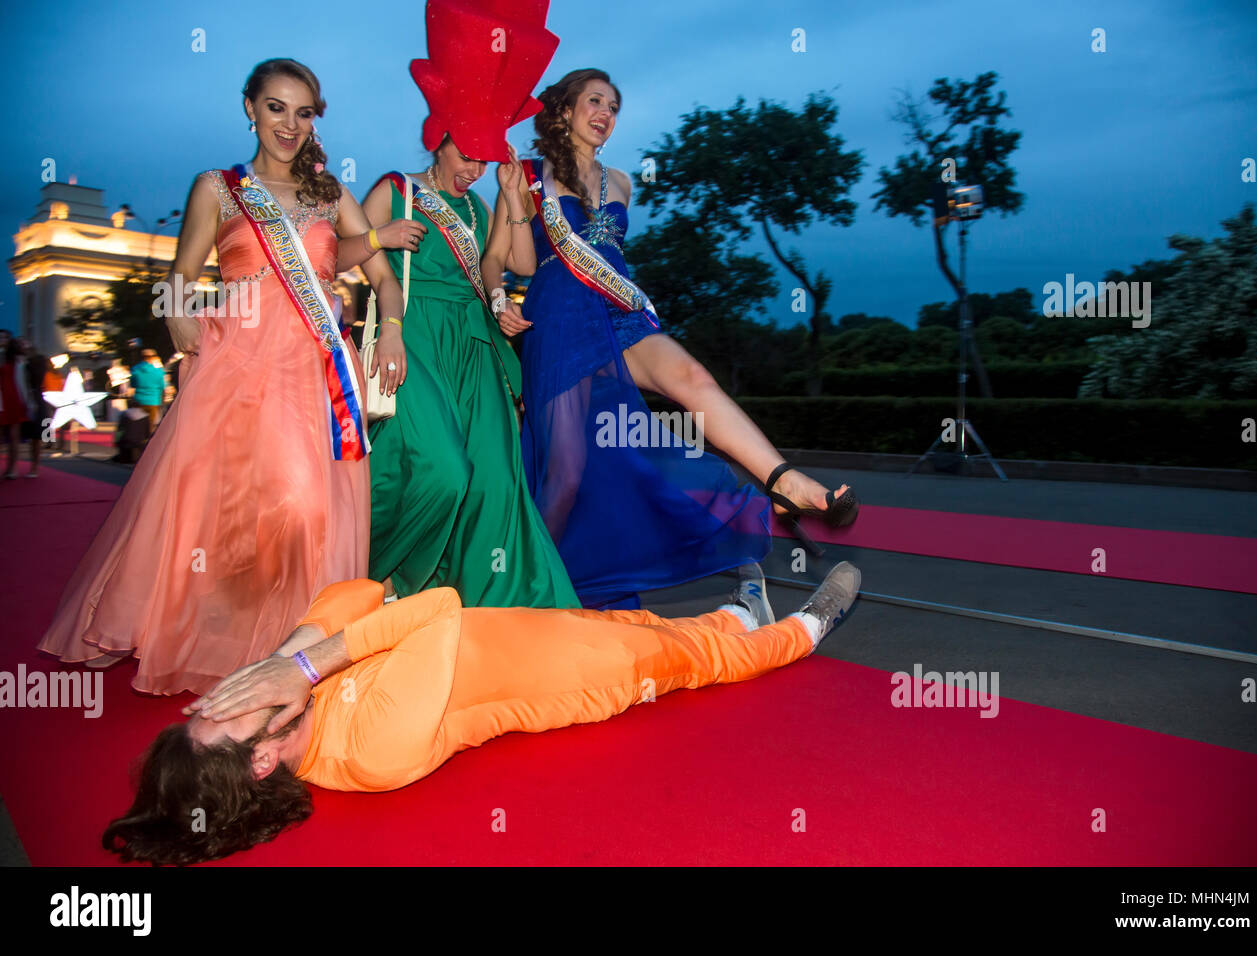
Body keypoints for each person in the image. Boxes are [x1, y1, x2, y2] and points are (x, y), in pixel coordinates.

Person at [38, 58, 406, 695]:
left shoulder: (327, 192)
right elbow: (182, 271)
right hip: (238, 365)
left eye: (304, 112)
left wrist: (392, 323)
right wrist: (177, 312)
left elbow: (372, 271)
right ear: (249, 108)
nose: (289, 125)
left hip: (314, 372)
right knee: (235, 514)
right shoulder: (218, 186)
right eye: (275, 108)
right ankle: (227, 636)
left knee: (303, 508)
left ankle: (289, 645)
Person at [102, 561, 860, 864]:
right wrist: (305, 664)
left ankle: (741, 608)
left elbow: (358, 590)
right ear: (263, 760)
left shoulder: (289, 700)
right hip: (576, 679)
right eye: (229, 715)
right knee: (698, 663)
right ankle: (805, 629)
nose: (237, 690)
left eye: (220, 698)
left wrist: (285, 659)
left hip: (535, 627)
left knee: (658, 626)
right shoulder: (369, 752)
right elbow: (434, 608)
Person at [500, 69, 860, 608]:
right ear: (565, 110)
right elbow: (520, 262)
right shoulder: (527, 174)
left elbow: (611, 255)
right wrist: (509, 202)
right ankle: (521, 596)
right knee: (568, 474)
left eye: (614, 106)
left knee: (692, 378)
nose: (605, 113)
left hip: (617, 309)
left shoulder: (620, 182)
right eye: (594, 101)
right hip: (560, 317)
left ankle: (782, 481)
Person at [348, 0, 576, 607]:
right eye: (466, 153)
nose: (473, 167)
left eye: (484, 156)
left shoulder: (482, 204)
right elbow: (333, 258)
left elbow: (520, 264)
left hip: (477, 349)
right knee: (440, 471)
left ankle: (494, 606)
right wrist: (379, 238)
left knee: (497, 484)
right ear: (439, 140)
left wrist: (513, 202)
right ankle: (372, 581)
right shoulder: (395, 190)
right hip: (413, 338)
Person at [0, 338, 39, 478]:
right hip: (8, 399)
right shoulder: (9, 361)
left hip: (13, 400)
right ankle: (11, 468)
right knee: (10, 437)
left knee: (13, 438)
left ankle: (12, 468)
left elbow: (27, 384)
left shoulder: (21, 362)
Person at [128, 348, 166, 433]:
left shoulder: (135, 370)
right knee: (151, 424)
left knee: (139, 422)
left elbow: (132, 384)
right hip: (154, 400)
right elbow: (162, 386)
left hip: (139, 400)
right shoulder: (159, 371)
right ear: (153, 357)